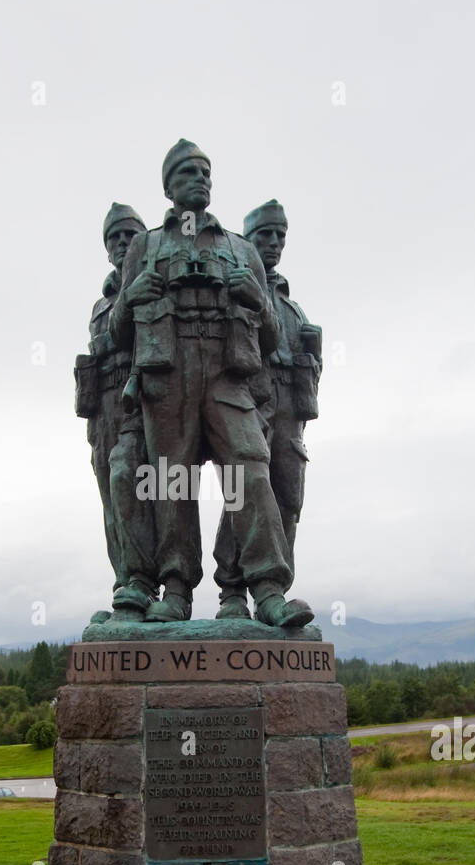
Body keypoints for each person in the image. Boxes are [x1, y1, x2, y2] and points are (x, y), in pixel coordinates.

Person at [109, 141, 314, 628]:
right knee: (171, 482)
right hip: (169, 377)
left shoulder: (240, 250)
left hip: (226, 376)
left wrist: (258, 301)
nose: (199, 179)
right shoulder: (146, 245)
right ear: (168, 187)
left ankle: (267, 588)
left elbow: (267, 336)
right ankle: (176, 589)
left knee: (250, 472)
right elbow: (118, 334)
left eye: (205, 171)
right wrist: (130, 297)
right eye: (187, 173)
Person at [213, 200, 322, 617]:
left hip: (291, 415)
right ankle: (234, 591)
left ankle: (275, 589)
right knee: (246, 491)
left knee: (288, 499)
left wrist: (315, 352)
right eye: (265, 235)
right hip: (251, 402)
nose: (274, 243)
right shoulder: (235, 288)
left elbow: (311, 375)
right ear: (248, 241)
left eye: (280, 235)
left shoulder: (294, 309)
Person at [75, 203, 159, 618]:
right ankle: (124, 583)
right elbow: (102, 344)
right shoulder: (101, 302)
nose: (122, 244)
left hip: (140, 397)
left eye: (129, 235)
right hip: (102, 405)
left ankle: (146, 583)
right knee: (110, 496)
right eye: (115, 238)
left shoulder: (152, 282)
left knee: (138, 484)